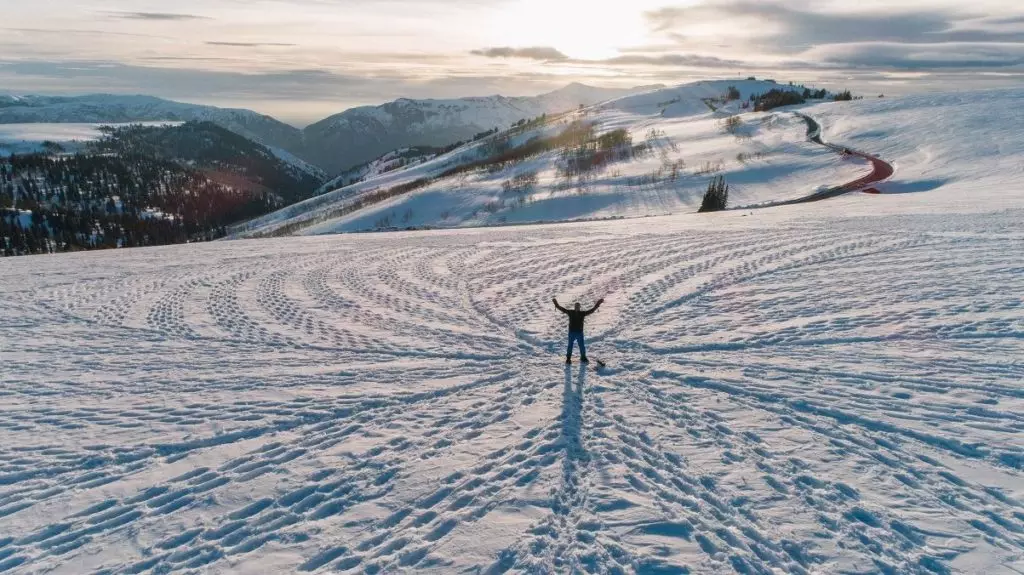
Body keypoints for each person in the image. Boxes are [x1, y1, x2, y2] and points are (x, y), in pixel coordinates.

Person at [552, 297, 604, 364]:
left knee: (582, 346)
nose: (577, 308)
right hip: (572, 333)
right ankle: (568, 358)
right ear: (574, 307)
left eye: (578, 307)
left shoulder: (582, 313)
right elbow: (562, 309)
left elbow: (592, 310)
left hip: (579, 333)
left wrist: (598, 303)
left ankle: (583, 357)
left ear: (579, 307)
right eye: (576, 306)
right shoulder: (570, 312)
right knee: (570, 345)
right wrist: (556, 304)